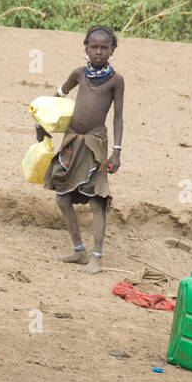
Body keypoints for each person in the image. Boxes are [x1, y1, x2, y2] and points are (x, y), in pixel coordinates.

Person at [36, 24, 124, 275]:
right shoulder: (78, 74)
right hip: (72, 141)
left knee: (97, 199)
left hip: (95, 143)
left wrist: (116, 151)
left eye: (104, 48)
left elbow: (118, 116)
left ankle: (97, 257)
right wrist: (41, 122)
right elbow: (57, 98)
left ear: (112, 50)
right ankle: (78, 250)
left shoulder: (116, 81)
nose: (98, 52)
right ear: (85, 48)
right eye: (93, 47)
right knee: (62, 197)